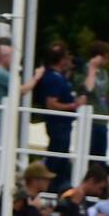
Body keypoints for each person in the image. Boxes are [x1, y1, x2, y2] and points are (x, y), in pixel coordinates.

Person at [0, 44, 44, 188]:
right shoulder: (1, 74)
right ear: (5, 57)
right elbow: (21, 90)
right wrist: (36, 78)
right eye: (12, 56)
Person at [34, 42, 85, 191]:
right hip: (59, 125)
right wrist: (73, 106)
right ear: (61, 60)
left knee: (60, 160)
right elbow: (51, 103)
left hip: (62, 125)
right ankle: (48, 190)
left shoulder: (57, 77)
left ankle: (54, 190)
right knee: (56, 160)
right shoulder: (54, 78)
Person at [75, 41, 109, 159]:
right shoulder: (84, 70)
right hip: (91, 121)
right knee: (88, 156)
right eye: (105, 58)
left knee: (100, 158)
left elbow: (105, 93)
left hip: (103, 119)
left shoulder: (104, 73)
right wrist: (92, 68)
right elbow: (88, 88)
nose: (107, 61)